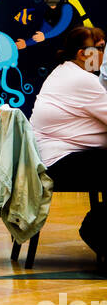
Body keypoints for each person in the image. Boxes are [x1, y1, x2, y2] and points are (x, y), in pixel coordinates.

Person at [30, 25, 107, 189]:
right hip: (60, 163)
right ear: (82, 54)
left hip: (50, 159)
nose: (105, 54)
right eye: (101, 48)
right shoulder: (82, 79)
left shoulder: (64, 71)